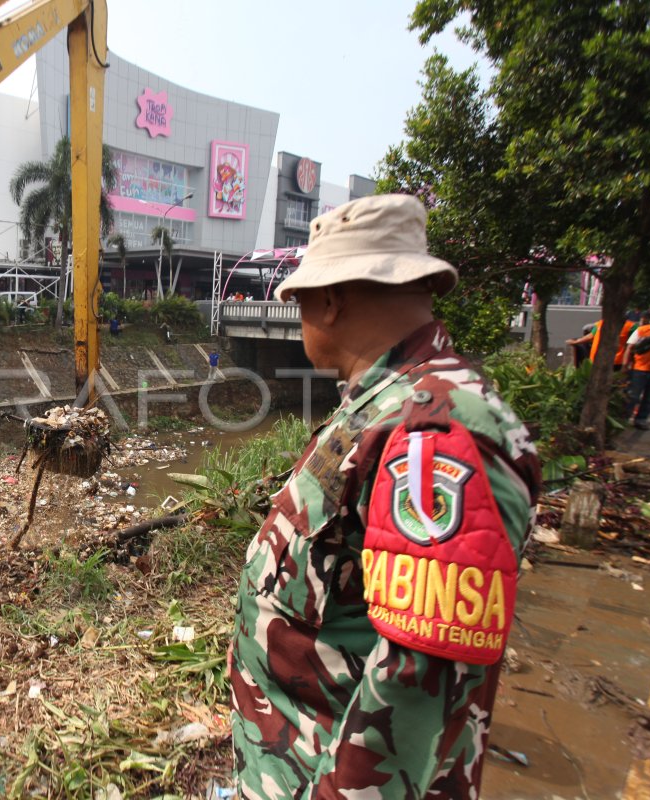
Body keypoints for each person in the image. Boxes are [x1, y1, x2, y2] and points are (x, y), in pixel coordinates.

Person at [229, 194, 542, 799]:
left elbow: (420, 683)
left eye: (299, 302)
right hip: (289, 756)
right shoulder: (387, 403)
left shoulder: (438, 433)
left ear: (332, 297)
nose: (300, 318)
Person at [566, 313, 636, 370]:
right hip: (598, 359)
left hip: (616, 362)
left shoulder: (631, 326)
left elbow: (635, 342)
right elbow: (591, 336)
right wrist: (576, 342)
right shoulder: (600, 323)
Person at [623, 310, 650, 430]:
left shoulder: (642, 330)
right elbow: (630, 347)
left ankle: (640, 419)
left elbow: (629, 347)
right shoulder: (642, 330)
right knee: (634, 396)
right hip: (639, 368)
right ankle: (627, 418)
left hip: (644, 369)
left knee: (648, 398)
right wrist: (625, 365)